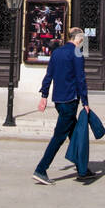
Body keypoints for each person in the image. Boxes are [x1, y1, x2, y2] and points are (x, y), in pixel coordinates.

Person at [33, 28, 91, 184]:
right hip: (70, 101)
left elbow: (48, 75)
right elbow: (81, 79)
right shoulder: (77, 53)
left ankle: (82, 169)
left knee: (73, 135)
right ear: (79, 39)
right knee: (59, 136)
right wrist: (85, 101)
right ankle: (41, 169)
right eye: (83, 40)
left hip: (58, 100)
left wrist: (44, 95)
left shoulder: (57, 52)